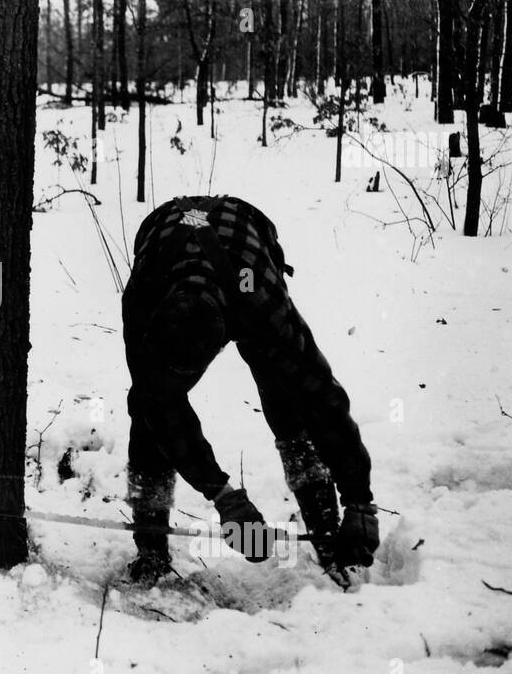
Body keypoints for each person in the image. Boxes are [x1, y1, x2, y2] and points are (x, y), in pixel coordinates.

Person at [121, 194, 378, 586]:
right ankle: (151, 550)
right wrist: (223, 496)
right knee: (148, 411)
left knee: (288, 398)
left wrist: (360, 499)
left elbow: (322, 396)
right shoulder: (143, 300)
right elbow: (155, 406)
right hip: (163, 241)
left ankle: (328, 536)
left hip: (244, 241)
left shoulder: (260, 304)